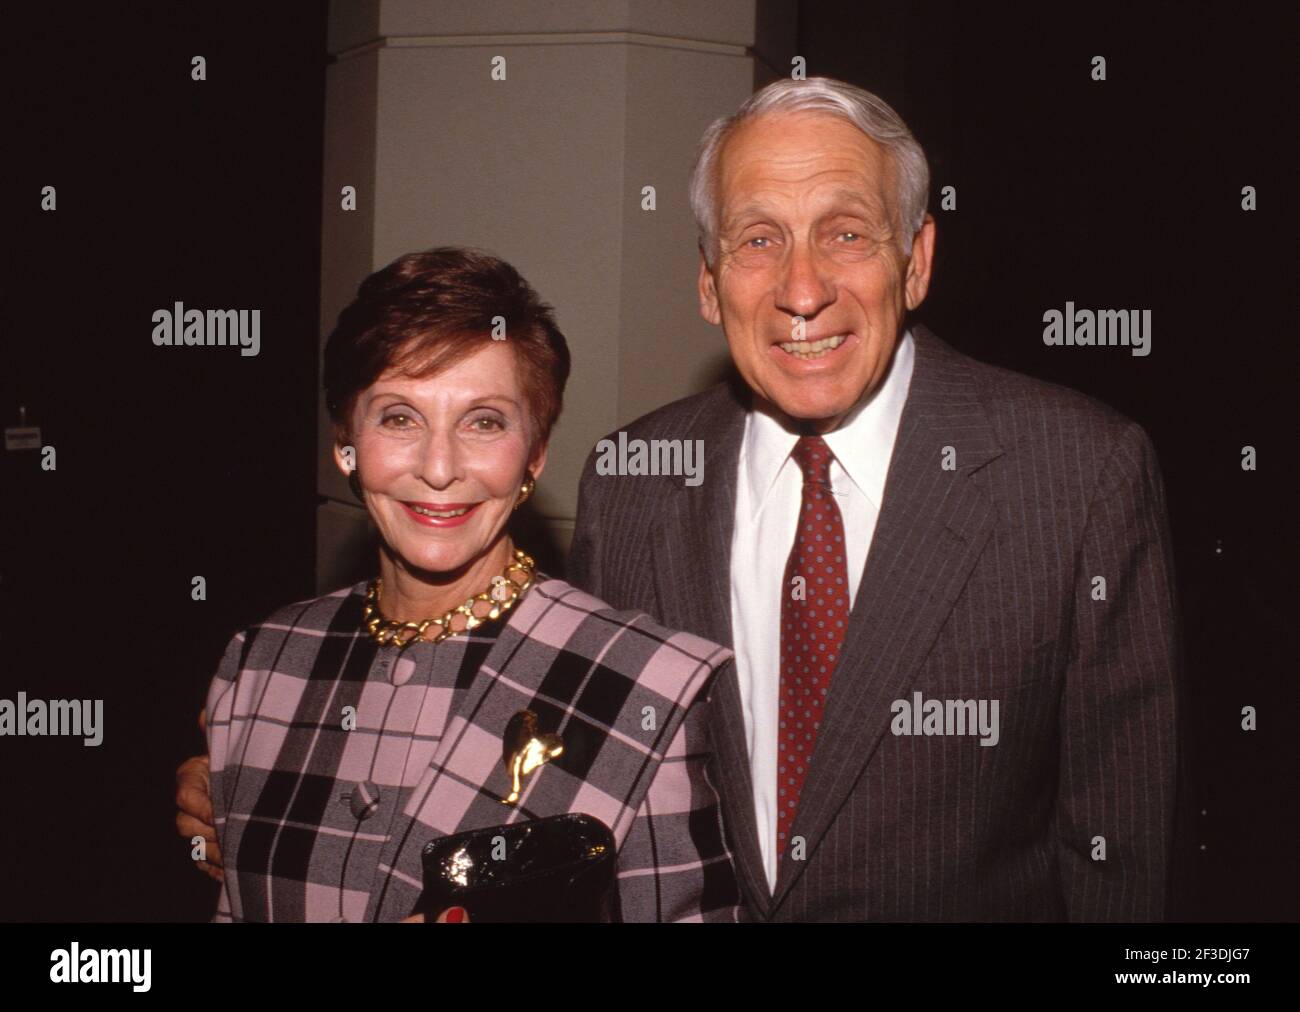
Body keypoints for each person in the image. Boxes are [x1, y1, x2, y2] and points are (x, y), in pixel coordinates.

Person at [180, 77, 1180, 923]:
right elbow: (560, 756)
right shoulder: (637, 476)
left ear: (915, 259)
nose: (800, 288)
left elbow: (1121, 854)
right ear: (708, 284)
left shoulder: (1078, 474)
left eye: (844, 233)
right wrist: (262, 789)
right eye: (756, 240)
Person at [187, 247, 740, 922]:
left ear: (534, 453)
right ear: (345, 443)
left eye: (484, 421)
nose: (440, 467)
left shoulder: (651, 688)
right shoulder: (260, 664)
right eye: (399, 417)